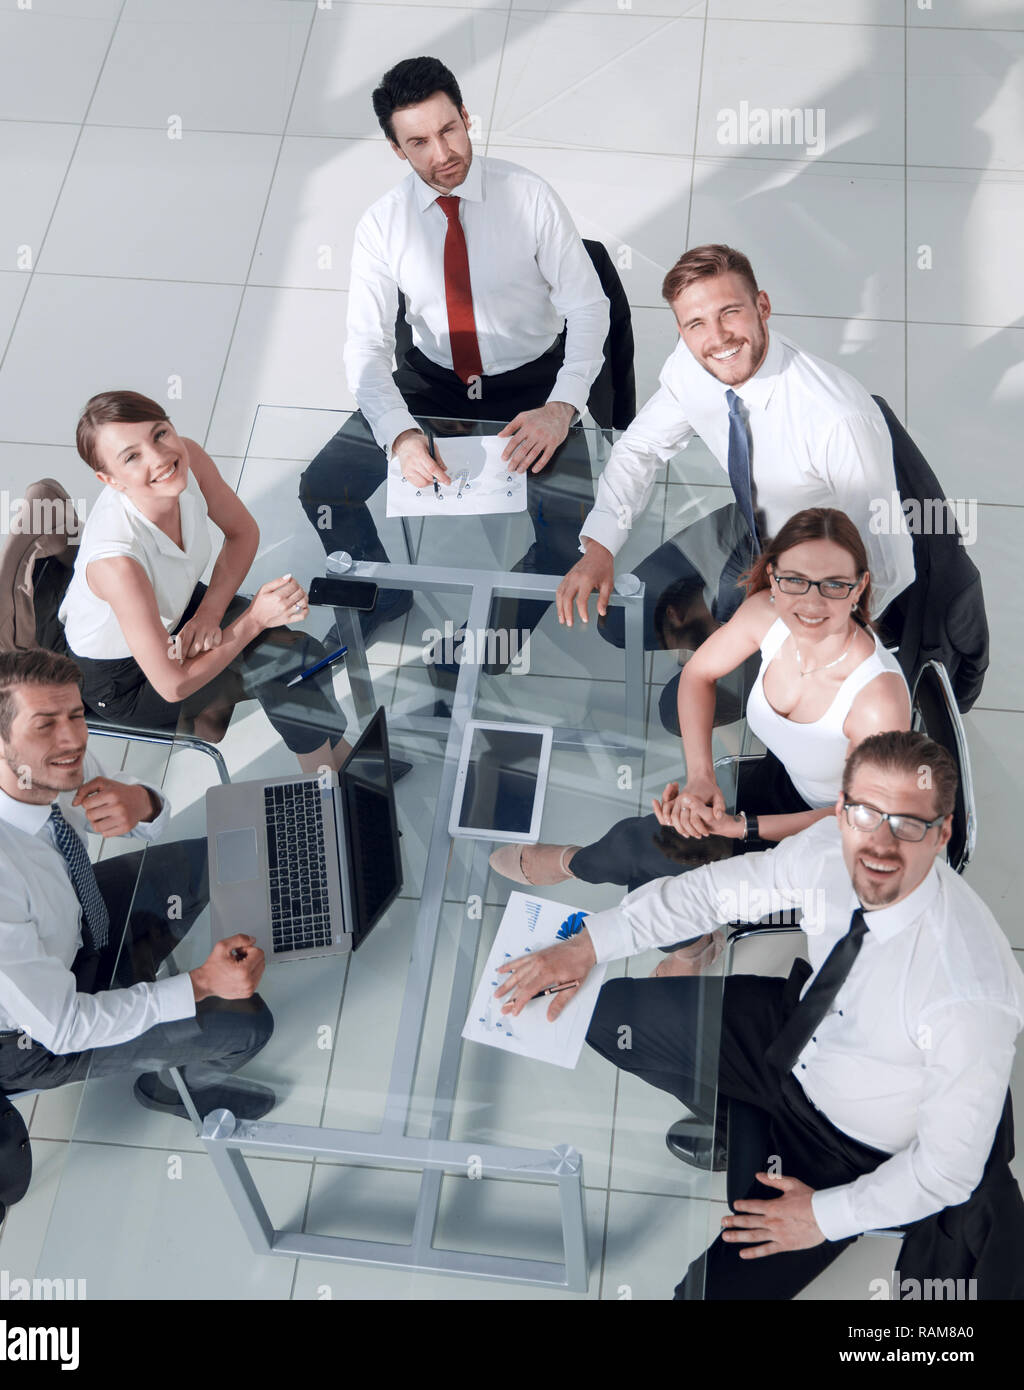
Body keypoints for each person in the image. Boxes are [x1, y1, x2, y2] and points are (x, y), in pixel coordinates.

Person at [494, 731, 1024, 1300]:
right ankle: (732, 1122)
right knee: (604, 1016)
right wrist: (588, 944)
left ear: (942, 833)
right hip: (792, 1037)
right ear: (840, 808)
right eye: (864, 813)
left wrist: (822, 1216)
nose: (879, 844)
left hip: (852, 1144)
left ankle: (751, 1134)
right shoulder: (828, 846)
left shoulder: (970, 992)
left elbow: (947, 1170)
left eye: (908, 824)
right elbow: (711, 896)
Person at [492, 508, 911, 972]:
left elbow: (854, 822)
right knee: (664, 839)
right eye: (795, 580)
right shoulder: (765, 614)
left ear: (859, 587)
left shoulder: (876, 700)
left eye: (834, 584)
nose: (811, 603)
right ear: (772, 578)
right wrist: (700, 777)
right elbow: (698, 675)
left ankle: (598, 878)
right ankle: (672, 930)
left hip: (825, 831)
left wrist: (744, 828)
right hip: (778, 780)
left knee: (648, 850)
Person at [298, 55, 609, 660]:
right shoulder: (381, 225)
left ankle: (487, 644)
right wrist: (399, 436)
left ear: (467, 117)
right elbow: (365, 347)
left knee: (572, 537)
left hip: (532, 383)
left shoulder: (530, 198)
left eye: (450, 130)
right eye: (419, 141)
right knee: (323, 488)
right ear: (396, 149)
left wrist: (562, 407)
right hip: (434, 382)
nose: (442, 153)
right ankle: (380, 597)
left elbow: (589, 308)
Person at [0, 651, 275, 1121]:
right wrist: (199, 984)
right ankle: (174, 1089)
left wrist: (143, 802)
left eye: (75, 714)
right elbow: (65, 1026)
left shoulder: (38, 762)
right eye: (45, 724)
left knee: (224, 858)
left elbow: (129, 804)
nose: (72, 740)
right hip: (33, 1037)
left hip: (76, 926)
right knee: (248, 1026)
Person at [556, 243, 915, 661]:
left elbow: (888, 569)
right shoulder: (694, 365)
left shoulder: (836, 418)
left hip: (811, 574)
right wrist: (600, 543)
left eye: (730, 312)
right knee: (620, 621)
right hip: (748, 527)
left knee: (682, 709)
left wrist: (820, 641)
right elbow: (640, 447)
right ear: (681, 331)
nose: (718, 338)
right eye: (696, 323)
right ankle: (721, 639)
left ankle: (734, 651)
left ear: (762, 305)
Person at [60, 390, 350, 773]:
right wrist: (253, 621)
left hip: (178, 613)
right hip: (129, 681)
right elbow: (172, 686)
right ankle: (327, 776)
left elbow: (243, 532)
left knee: (297, 657)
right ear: (108, 479)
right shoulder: (117, 563)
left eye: (160, 433)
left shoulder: (189, 457)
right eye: (132, 456)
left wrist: (211, 614)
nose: (160, 457)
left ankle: (332, 761)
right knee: (287, 662)